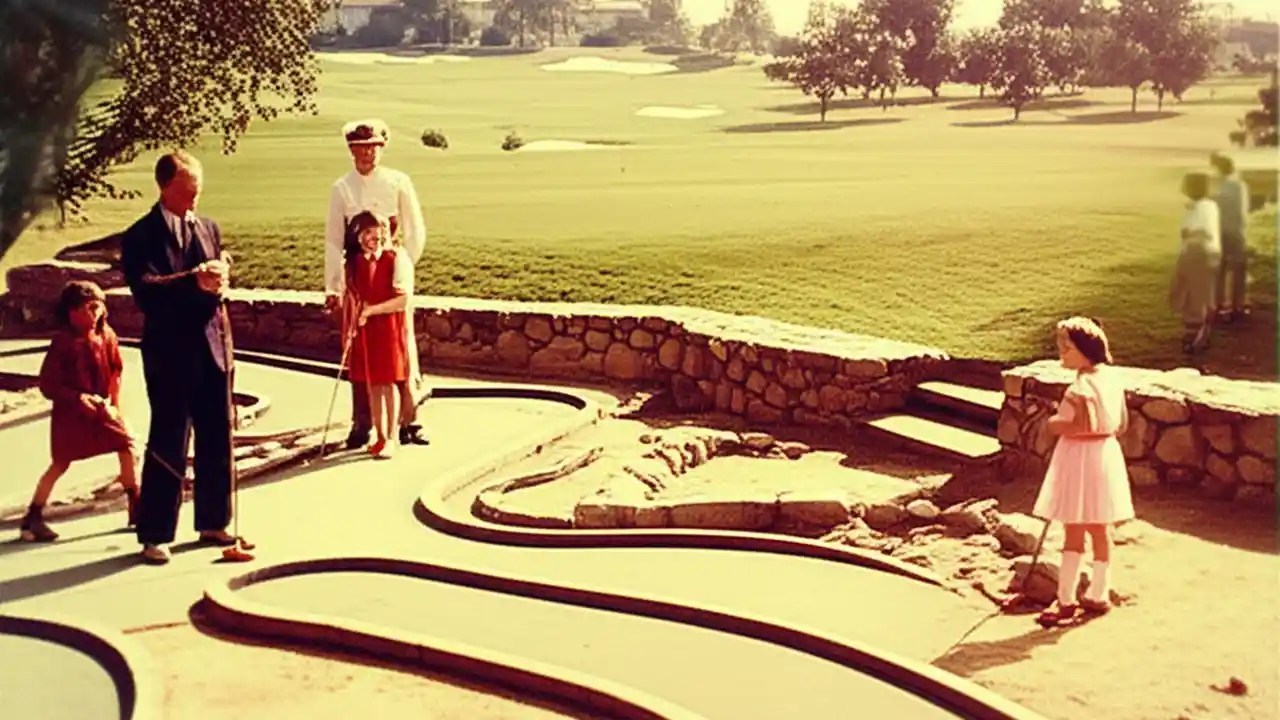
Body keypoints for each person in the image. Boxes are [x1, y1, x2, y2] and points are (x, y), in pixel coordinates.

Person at [120, 150, 237, 565]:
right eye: (188, 192)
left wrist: (221, 275)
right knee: (169, 437)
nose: (194, 200)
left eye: (198, 192)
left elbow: (216, 276)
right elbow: (148, 290)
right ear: (164, 187)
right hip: (169, 353)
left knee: (216, 434)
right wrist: (195, 280)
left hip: (211, 348)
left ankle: (213, 520)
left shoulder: (208, 226)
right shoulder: (139, 236)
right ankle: (155, 533)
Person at [324, 118, 430, 450]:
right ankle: (363, 424)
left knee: (401, 346)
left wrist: (401, 266)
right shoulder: (342, 188)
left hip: (390, 272)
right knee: (360, 349)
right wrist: (333, 286)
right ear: (351, 150)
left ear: (381, 148)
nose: (366, 154)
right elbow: (333, 239)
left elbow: (414, 229)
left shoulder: (399, 182)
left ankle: (408, 421)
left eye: (372, 147)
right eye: (359, 148)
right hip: (358, 276)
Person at [1031, 317, 1134, 627]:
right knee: (1100, 526)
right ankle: (1098, 593)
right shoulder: (1112, 379)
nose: (1061, 352)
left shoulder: (1082, 386)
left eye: (1067, 347)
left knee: (1074, 527)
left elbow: (1081, 425)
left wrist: (1053, 424)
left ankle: (1065, 599)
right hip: (1105, 455)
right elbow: (1122, 423)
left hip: (1080, 458)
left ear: (1086, 350)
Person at [19, 281, 140, 542]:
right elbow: (48, 384)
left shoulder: (106, 335)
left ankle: (136, 506)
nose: (96, 313)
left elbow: (116, 369)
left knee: (127, 446)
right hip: (72, 414)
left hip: (101, 408)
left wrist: (113, 404)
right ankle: (33, 517)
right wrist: (77, 397)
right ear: (72, 312)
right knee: (61, 463)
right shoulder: (63, 341)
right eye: (90, 308)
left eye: (99, 307)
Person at [343, 211, 411, 459]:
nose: (373, 237)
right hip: (366, 329)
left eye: (377, 232)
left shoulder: (394, 259)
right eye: (367, 233)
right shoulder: (357, 262)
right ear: (360, 238)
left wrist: (372, 310)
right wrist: (355, 321)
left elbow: (402, 300)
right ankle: (380, 436)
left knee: (388, 382)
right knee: (372, 383)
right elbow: (355, 296)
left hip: (387, 327)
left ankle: (391, 438)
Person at [1169, 171, 1221, 354]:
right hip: (1193, 253)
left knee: (1195, 296)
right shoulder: (1197, 206)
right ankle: (1197, 334)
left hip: (1198, 254)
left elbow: (1204, 234)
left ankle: (1196, 339)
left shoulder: (1204, 207)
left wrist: (1188, 235)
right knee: (1184, 293)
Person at [1211, 154, 1251, 323]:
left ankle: (1219, 304)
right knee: (1238, 270)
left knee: (1221, 269)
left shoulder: (1220, 187)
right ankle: (1237, 305)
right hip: (1236, 231)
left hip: (1222, 231)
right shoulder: (1239, 185)